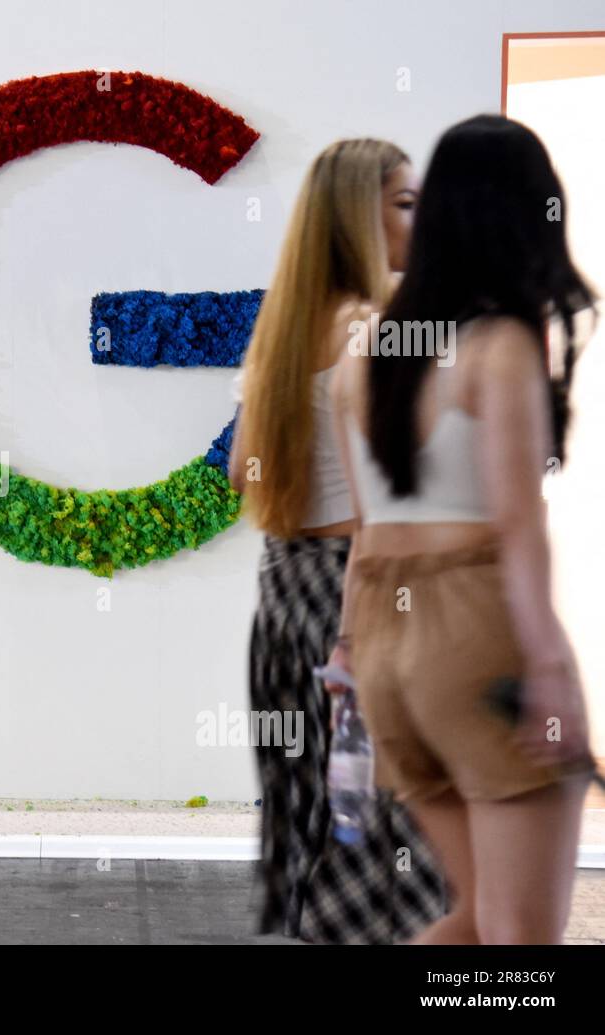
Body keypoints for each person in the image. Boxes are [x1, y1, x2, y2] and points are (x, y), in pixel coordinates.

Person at [327, 115, 597, 944]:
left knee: (480, 924)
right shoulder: (501, 344)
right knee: (523, 942)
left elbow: (365, 527)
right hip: (477, 632)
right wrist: (550, 667)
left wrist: (344, 654)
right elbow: (519, 525)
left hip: (384, 646)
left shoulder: (362, 355)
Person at [229, 139, 447, 942]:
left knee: (309, 820)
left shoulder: (281, 335)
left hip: (283, 598)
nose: (417, 219)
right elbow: (380, 511)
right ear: (360, 215)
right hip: (354, 600)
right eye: (403, 202)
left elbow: (242, 478)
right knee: (387, 839)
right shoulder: (374, 330)